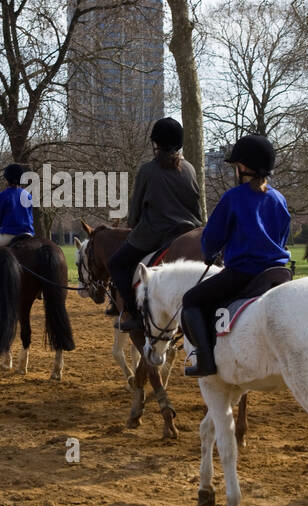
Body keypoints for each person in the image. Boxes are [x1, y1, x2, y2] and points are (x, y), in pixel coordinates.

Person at [180, 134, 291, 377]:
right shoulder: (279, 198)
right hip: (279, 273)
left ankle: (206, 360)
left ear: (242, 167)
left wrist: (211, 254)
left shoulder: (234, 197)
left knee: (191, 300)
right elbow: (283, 235)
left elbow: (211, 237)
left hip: (244, 274)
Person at [110, 118, 204, 333]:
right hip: (189, 231)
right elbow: (196, 206)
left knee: (117, 264)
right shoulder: (189, 168)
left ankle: (133, 315)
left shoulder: (147, 170)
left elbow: (135, 211)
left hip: (155, 235)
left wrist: (132, 225)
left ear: (156, 144)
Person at [0, 164, 35, 247]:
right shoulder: (28, 195)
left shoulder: (2, 196)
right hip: (28, 234)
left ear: (7, 179)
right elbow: (30, 217)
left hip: (9, 235)